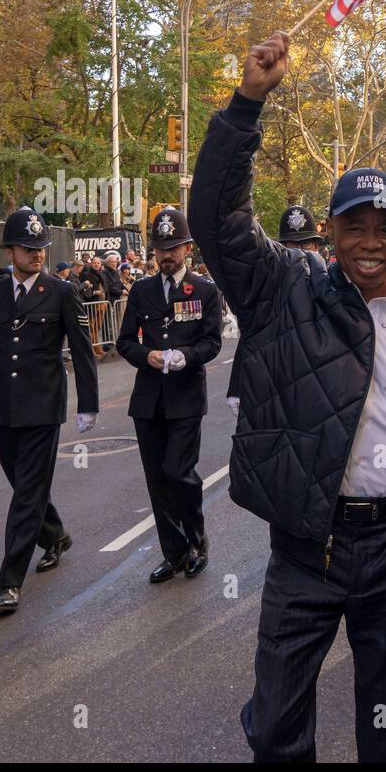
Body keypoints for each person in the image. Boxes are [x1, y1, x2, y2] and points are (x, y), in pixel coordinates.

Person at [188, 30, 386, 763]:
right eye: (351, 225)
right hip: (306, 549)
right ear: (328, 231)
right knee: (274, 731)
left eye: (382, 227)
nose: (367, 240)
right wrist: (247, 103)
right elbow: (216, 221)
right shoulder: (281, 290)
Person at [0, 206, 100, 614]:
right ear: (11, 251)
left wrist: (88, 404)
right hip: (0, 412)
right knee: (26, 488)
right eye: (28, 248)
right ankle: (56, 534)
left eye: (41, 247)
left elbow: (82, 352)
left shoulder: (61, 292)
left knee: (27, 495)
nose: (37, 254)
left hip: (43, 410)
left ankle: (10, 581)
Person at [117, 207, 222, 583]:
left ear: (187, 249)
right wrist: (148, 355)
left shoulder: (205, 291)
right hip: (148, 400)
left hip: (186, 397)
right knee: (157, 481)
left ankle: (197, 539)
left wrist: (184, 356)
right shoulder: (142, 291)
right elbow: (125, 342)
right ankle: (173, 552)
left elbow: (212, 343)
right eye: (160, 248)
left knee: (179, 472)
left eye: (173, 248)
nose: (166, 255)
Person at [225, 204, 325, 414]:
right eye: (290, 246)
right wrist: (237, 386)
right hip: (273, 389)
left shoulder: (331, 285)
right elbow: (251, 336)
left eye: (305, 244)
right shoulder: (266, 287)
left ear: (316, 246)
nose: (299, 252)